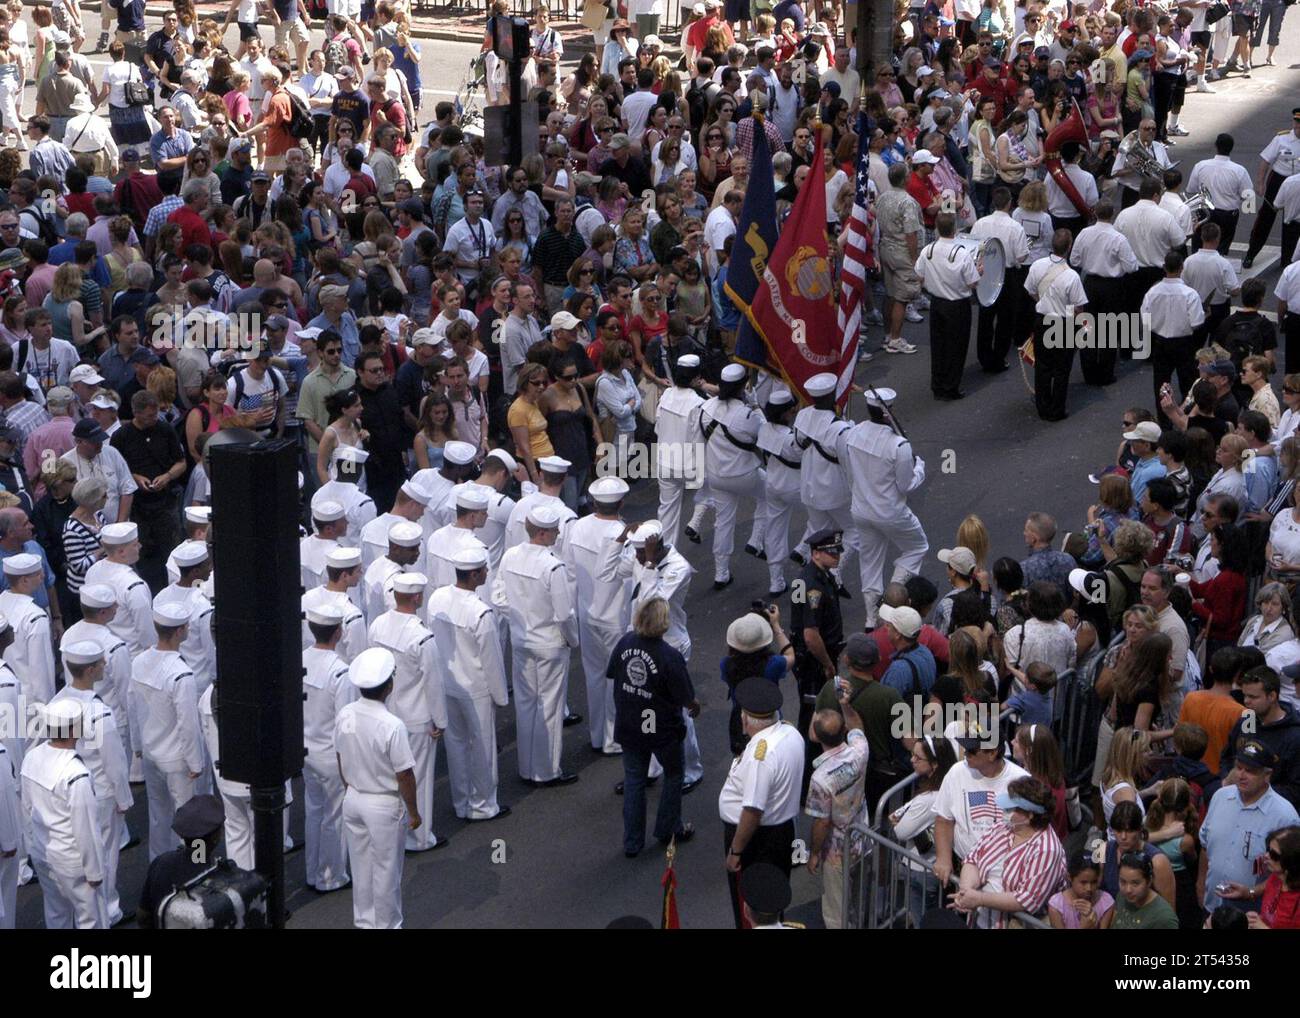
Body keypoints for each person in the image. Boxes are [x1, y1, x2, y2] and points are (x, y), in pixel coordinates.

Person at [335, 647, 421, 929]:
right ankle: (387, 925)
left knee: (361, 869)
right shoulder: (392, 725)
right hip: (383, 803)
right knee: (386, 872)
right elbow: (405, 774)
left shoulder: (346, 713)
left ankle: (365, 923)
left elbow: (340, 756)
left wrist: (350, 786)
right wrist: (414, 811)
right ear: (389, 685)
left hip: (354, 798)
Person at [494, 504, 579, 787]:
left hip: (522, 641)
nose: (557, 533)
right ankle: (546, 770)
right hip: (550, 642)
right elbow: (564, 613)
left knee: (526, 703)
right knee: (550, 706)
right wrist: (572, 639)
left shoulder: (510, 556)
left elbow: (499, 597)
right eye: (554, 530)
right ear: (542, 533)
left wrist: (519, 622)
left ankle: (526, 767)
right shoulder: (552, 565)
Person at [425, 542, 510, 823]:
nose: (487, 573)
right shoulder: (480, 612)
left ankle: (461, 801)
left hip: (447, 684)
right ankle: (483, 804)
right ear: (473, 575)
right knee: (482, 748)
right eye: (484, 569)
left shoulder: (437, 599)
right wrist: (501, 696)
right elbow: (492, 661)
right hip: (476, 689)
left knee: (457, 746)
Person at [608, 596, 698, 858]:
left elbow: (613, 672)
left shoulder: (625, 643)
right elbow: (685, 695)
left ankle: (632, 842)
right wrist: (695, 705)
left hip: (630, 724)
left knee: (635, 780)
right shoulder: (669, 656)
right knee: (673, 774)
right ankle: (669, 827)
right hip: (663, 729)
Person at [718, 677, 804, 929]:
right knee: (773, 900)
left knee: (752, 906)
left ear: (745, 718)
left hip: (756, 839)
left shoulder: (761, 754)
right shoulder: (789, 732)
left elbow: (753, 810)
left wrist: (736, 851)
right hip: (781, 832)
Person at [21, 698, 108, 928]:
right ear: (73, 730)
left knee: (57, 916)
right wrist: (95, 872)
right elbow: (86, 830)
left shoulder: (31, 757)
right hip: (73, 862)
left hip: (44, 853)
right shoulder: (76, 774)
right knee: (92, 921)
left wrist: (34, 848)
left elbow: (28, 810)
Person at [131, 597, 202, 861]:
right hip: (177, 760)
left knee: (158, 817)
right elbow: (188, 724)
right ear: (180, 631)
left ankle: (158, 867)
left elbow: (132, 705)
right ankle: (195, 865)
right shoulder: (181, 674)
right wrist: (196, 761)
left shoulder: (139, 661)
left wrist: (137, 746)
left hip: (151, 754)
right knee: (193, 821)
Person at [952, 777, 1068, 928]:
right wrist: (966, 891)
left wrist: (979, 899)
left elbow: (1027, 899)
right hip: (980, 919)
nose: (1003, 812)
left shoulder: (1047, 850)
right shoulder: (1002, 826)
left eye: (1010, 808)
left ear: (1029, 815)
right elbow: (973, 858)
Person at [932, 721, 1031, 889]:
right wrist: (943, 858)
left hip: (1003, 877)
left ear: (992, 753)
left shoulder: (1022, 781)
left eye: (971, 751)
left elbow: (1030, 833)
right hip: (962, 868)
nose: (966, 754)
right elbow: (944, 820)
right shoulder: (957, 772)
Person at [806, 685, 869, 929]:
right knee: (859, 897)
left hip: (837, 850)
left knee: (836, 909)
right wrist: (845, 705)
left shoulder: (821, 778)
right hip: (862, 836)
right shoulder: (859, 751)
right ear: (843, 731)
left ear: (818, 737)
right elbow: (858, 728)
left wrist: (813, 853)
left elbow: (822, 821)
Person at [914, 212, 980, 402]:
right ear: (954, 229)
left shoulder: (928, 250)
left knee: (938, 346)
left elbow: (918, 275)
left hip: (937, 304)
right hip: (957, 306)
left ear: (937, 228)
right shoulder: (962, 253)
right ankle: (951, 387)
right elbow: (972, 283)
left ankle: (938, 385)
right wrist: (979, 271)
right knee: (956, 348)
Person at [1111, 851, 1181, 928]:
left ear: (1149, 881)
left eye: (1135, 883)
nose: (1128, 890)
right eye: (1123, 882)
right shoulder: (1121, 896)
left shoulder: (1164, 917)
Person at [1049, 855, 1115, 929]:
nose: (1089, 888)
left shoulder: (1106, 902)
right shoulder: (1057, 905)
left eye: (1094, 882)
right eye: (1083, 882)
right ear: (1069, 877)